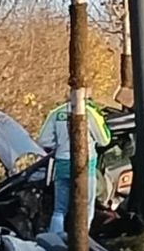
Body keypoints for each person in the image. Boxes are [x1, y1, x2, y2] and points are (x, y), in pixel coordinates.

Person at [39, 93, 112, 235]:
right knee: (86, 208)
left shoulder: (56, 113)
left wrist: (60, 145)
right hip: (85, 165)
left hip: (62, 164)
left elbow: (44, 140)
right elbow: (104, 140)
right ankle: (83, 241)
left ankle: (54, 240)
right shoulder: (89, 112)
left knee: (59, 209)